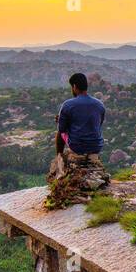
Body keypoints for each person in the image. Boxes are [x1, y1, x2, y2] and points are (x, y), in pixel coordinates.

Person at [46, 72, 109, 207]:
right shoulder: (99, 104)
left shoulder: (68, 105)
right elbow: (98, 125)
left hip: (77, 146)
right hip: (96, 146)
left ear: (74, 87)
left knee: (59, 133)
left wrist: (61, 121)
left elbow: (62, 129)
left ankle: (59, 158)